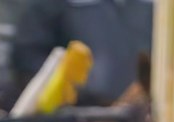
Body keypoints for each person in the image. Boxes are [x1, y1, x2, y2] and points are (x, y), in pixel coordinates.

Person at [9, 0, 150, 108]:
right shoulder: (52, 6)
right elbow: (27, 59)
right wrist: (81, 95)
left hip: (143, 121)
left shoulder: (156, 8)